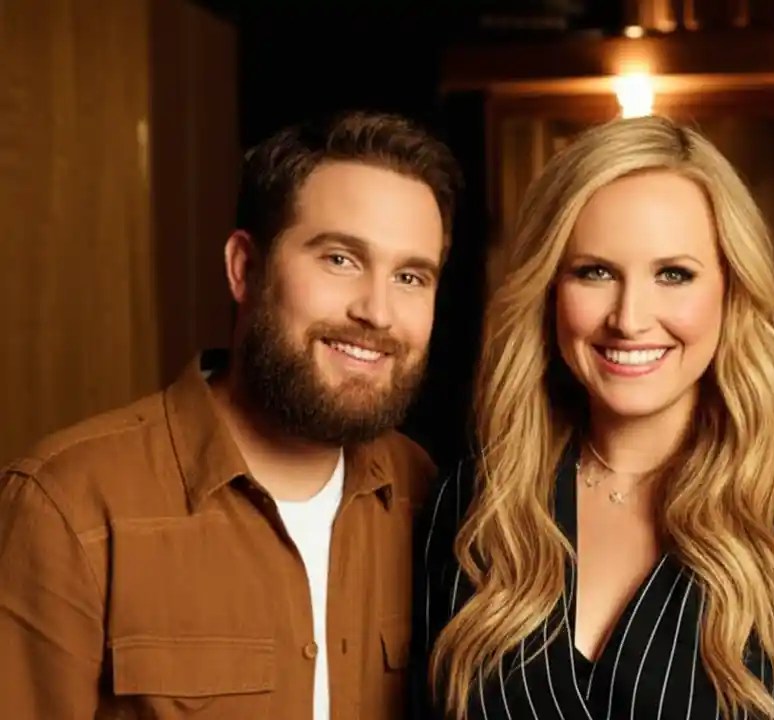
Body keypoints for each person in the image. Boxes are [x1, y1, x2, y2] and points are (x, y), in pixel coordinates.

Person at [415, 116, 774, 720]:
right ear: (549, 289)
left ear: (731, 290)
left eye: (673, 274)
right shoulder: (471, 506)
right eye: (594, 272)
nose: (630, 318)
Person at [0, 110, 461, 719]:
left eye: (410, 276)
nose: (377, 312)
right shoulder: (68, 503)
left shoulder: (424, 492)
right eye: (340, 260)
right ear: (245, 268)